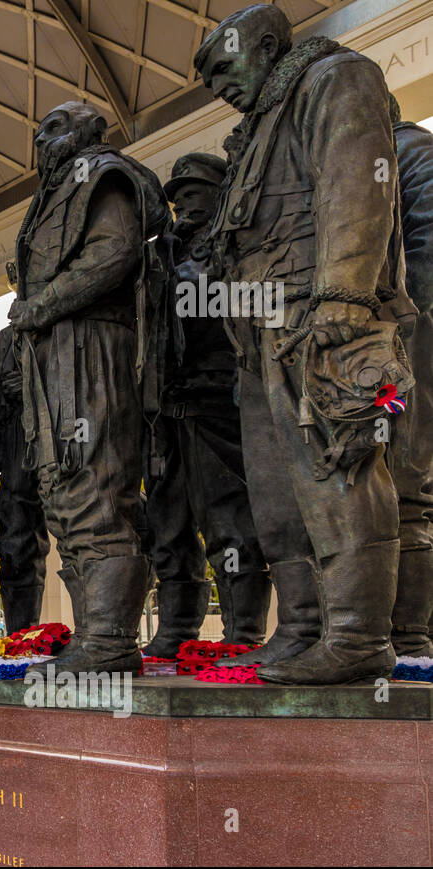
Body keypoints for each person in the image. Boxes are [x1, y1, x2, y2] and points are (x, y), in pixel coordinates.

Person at [195, 3, 414, 684]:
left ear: (266, 44)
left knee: (336, 472)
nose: (221, 88)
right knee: (275, 489)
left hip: (321, 320)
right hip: (264, 334)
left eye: (226, 68)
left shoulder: (334, 77)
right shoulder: (262, 122)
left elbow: (357, 182)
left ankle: (357, 638)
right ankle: (300, 628)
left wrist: (345, 293)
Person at [7, 101, 170, 675]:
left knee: (95, 486)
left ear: (89, 130)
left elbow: (115, 253)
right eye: (37, 130)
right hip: (51, 355)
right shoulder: (52, 196)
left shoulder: (102, 173)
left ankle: (109, 642)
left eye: (52, 127)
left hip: (90, 349)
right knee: (63, 498)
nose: (40, 139)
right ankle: (93, 639)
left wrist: (41, 303)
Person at [140, 153, 271, 658]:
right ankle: (177, 627)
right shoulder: (160, 255)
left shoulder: (235, 244)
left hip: (216, 399)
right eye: (178, 196)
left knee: (228, 519)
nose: (183, 203)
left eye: (194, 191)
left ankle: (244, 633)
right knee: (166, 522)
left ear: (220, 192)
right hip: (161, 405)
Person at [387, 97, 433, 660]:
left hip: (407, 347)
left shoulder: (410, 150)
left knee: (406, 487)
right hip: (382, 348)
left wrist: (404, 321)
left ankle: (411, 637)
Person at [0, 325, 49, 635]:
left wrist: (31, 385)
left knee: (86, 534)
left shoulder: (76, 323)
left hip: (72, 442)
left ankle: (98, 636)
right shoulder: (8, 337)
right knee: (16, 542)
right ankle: (20, 636)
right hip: (19, 452)